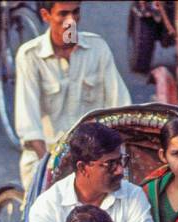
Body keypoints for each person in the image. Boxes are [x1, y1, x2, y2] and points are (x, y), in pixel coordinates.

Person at [14, 1, 131, 192]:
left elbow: (121, 107)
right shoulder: (30, 56)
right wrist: (49, 170)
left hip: (95, 160)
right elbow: (29, 126)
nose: (71, 20)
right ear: (46, 15)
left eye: (75, 12)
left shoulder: (97, 49)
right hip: (47, 157)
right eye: (63, 14)